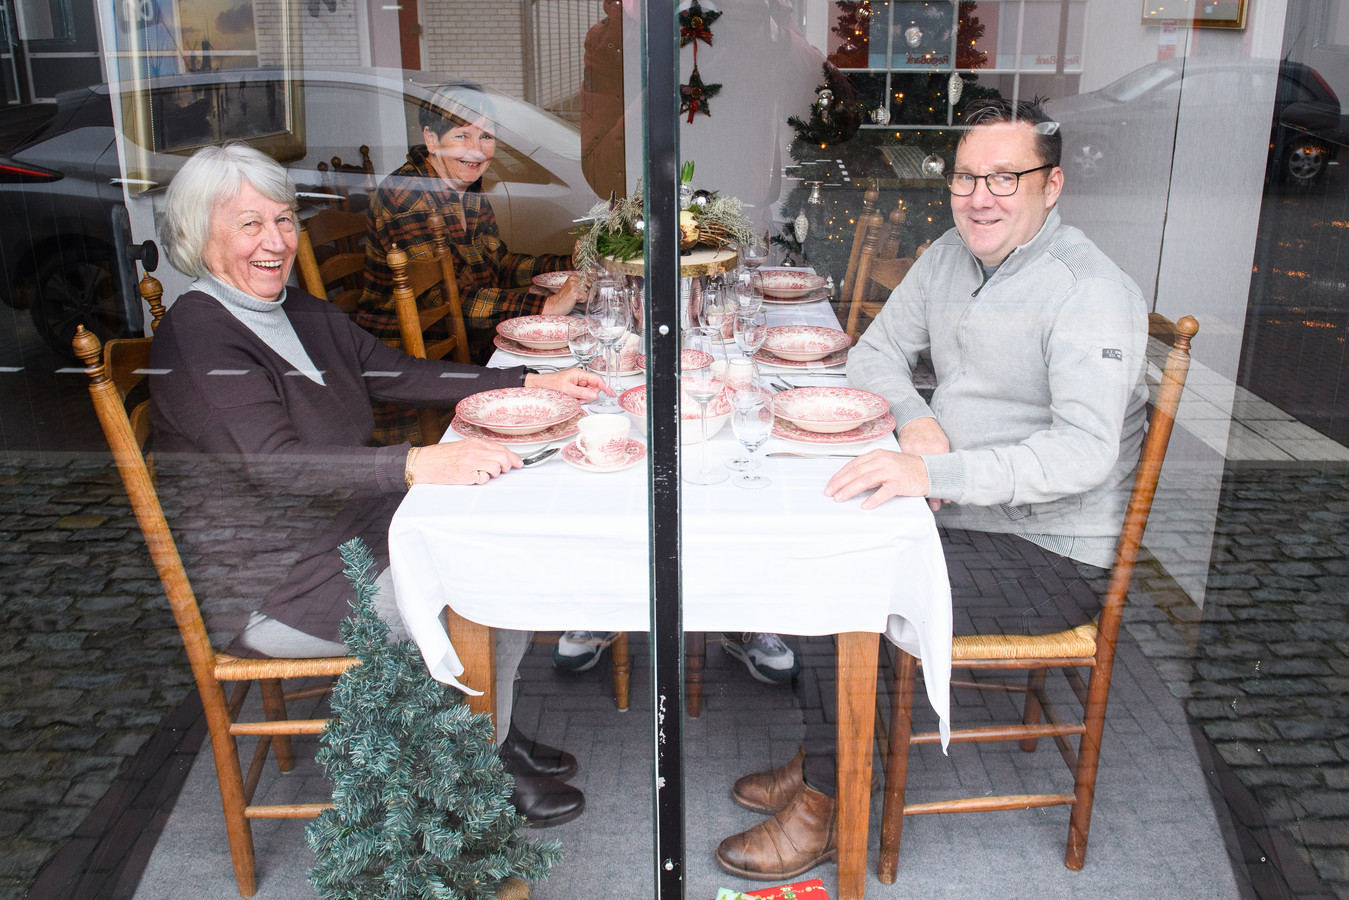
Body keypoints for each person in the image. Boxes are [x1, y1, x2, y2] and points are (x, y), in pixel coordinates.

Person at [714, 98, 1148, 879]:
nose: (979, 196)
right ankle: (830, 756)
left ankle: (829, 797)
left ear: (1050, 187)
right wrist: (916, 423)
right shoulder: (952, 253)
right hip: (956, 512)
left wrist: (933, 471)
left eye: (1003, 178)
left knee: (833, 577)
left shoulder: (1087, 291)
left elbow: (1084, 455)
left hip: (1045, 555)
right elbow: (872, 355)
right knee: (822, 534)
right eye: (964, 178)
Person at [148, 142, 609, 828]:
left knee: (494, 547)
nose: (275, 240)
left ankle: (492, 729)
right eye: (249, 224)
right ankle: (478, 760)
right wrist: (415, 464)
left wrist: (524, 380)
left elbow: (393, 370)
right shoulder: (200, 339)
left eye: (283, 219)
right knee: (478, 579)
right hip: (278, 586)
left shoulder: (293, 310)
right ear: (197, 233)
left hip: (347, 528)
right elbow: (276, 464)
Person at [353, 82, 590, 446]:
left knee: (575, 391)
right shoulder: (407, 195)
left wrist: (568, 265)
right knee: (564, 409)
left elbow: (497, 261)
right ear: (431, 140)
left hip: (467, 349)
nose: (477, 151)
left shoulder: (465, 190)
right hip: (412, 370)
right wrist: (543, 304)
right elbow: (439, 300)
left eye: (486, 137)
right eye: (462, 136)